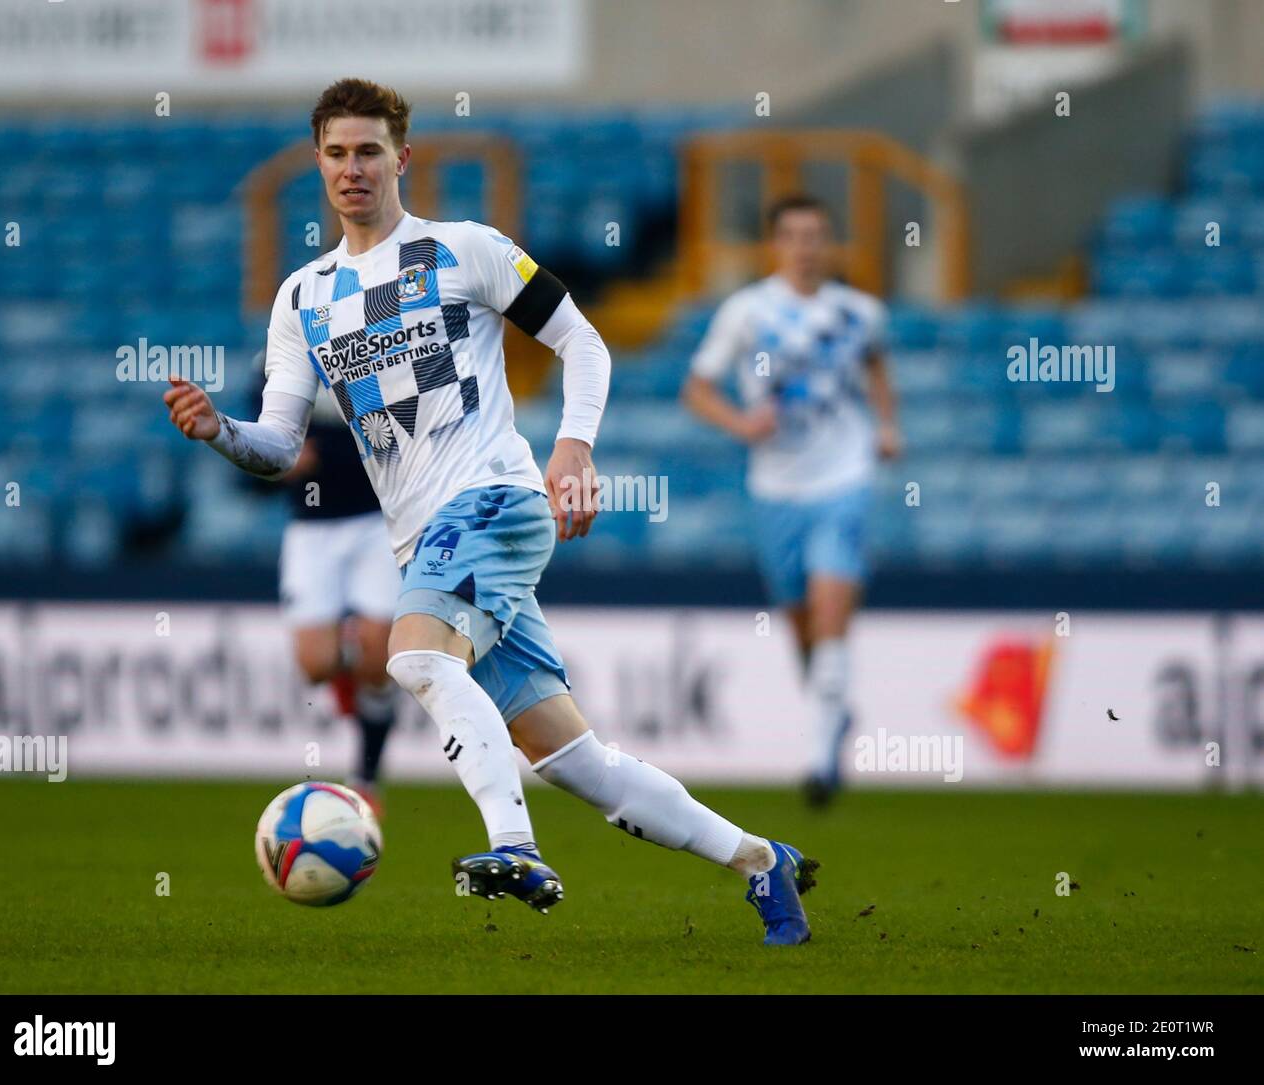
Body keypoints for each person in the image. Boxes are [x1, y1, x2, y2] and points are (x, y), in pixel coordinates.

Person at [163, 78, 817, 944]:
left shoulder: (463, 249)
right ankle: (760, 862)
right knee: (576, 761)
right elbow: (282, 446)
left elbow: (580, 338)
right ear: (317, 163)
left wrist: (575, 446)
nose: (352, 169)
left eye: (368, 151)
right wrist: (220, 432)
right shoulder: (303, 299)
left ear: (404, 157)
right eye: (335, 153)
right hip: (424, 540)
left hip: (496, 501)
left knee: (413, 659)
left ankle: (515, 845)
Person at [682, 194, 901, 807]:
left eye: (816, 236)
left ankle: (819, 761)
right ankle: (832, 714)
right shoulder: (747, 312)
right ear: (774, 244)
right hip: (776, 488)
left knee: (832, 607)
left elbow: (878, 372)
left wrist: (886, 427)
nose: (806, 248)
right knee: (802, 623)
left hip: (844, 479)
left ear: (829, 244)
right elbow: (696, 389)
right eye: (794, 236)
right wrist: (740, 423)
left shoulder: (860, 312)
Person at [259, 366, 402, 812]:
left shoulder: (369, 342)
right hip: (311, 529)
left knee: (379, 658)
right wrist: (277, 463)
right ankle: (345, 668)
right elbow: (261, 447)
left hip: (376, 519)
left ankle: (365, 775)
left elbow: (393, 432)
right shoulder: (273, 361)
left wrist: (321, 452)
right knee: (315, 665)